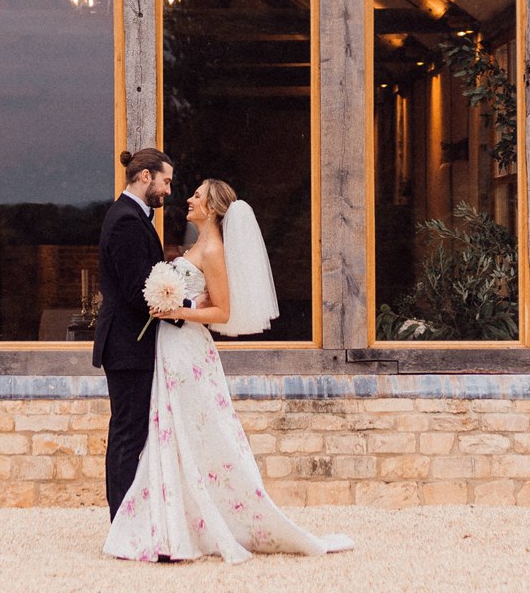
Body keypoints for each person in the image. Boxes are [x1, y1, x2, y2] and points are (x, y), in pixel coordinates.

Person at [105, 178, 355, 564]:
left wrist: (175, 310)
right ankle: (175, 523)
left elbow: (221, 312)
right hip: (169, 348)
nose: (188, 199)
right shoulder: (197, 245)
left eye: (197, 196)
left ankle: (201, 522)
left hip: (187, 350)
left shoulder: (214, 250)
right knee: (171, 432)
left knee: (194, 430)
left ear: (213, 208)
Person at [94, 147, 173, 520]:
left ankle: (128, 518)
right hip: (127, 344)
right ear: (146, 177)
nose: (168, 190)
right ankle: (121, 522)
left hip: (132, 343)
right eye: (165, 180)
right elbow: (137, 290)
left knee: (130, 430)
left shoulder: (133, 215)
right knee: (128, 432)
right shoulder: (126, 220)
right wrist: (182, 311)